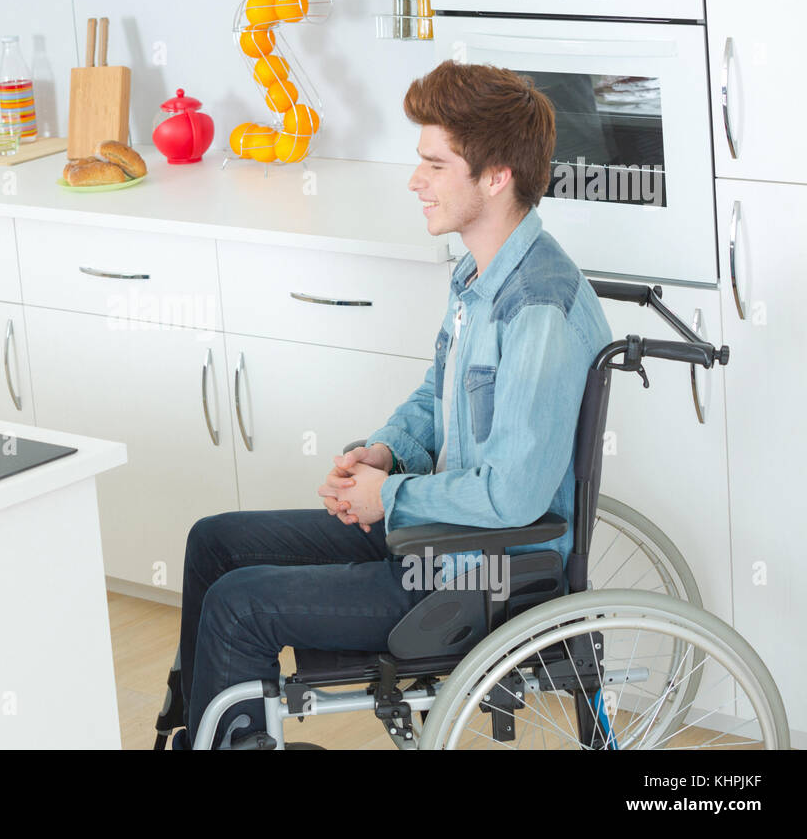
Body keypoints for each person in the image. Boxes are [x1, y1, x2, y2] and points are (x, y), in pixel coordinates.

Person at [171, 60, 613, 749]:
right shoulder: (480, 272)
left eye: (435, 165)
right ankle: (190, 734)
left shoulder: (537, 310)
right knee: (215, 542)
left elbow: (513, 495)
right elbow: (438, 396)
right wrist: (381, 453)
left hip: (478, 571)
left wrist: (391, 498)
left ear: (496, 176)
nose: (415, 181)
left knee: (240, 606)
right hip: (434, 533)